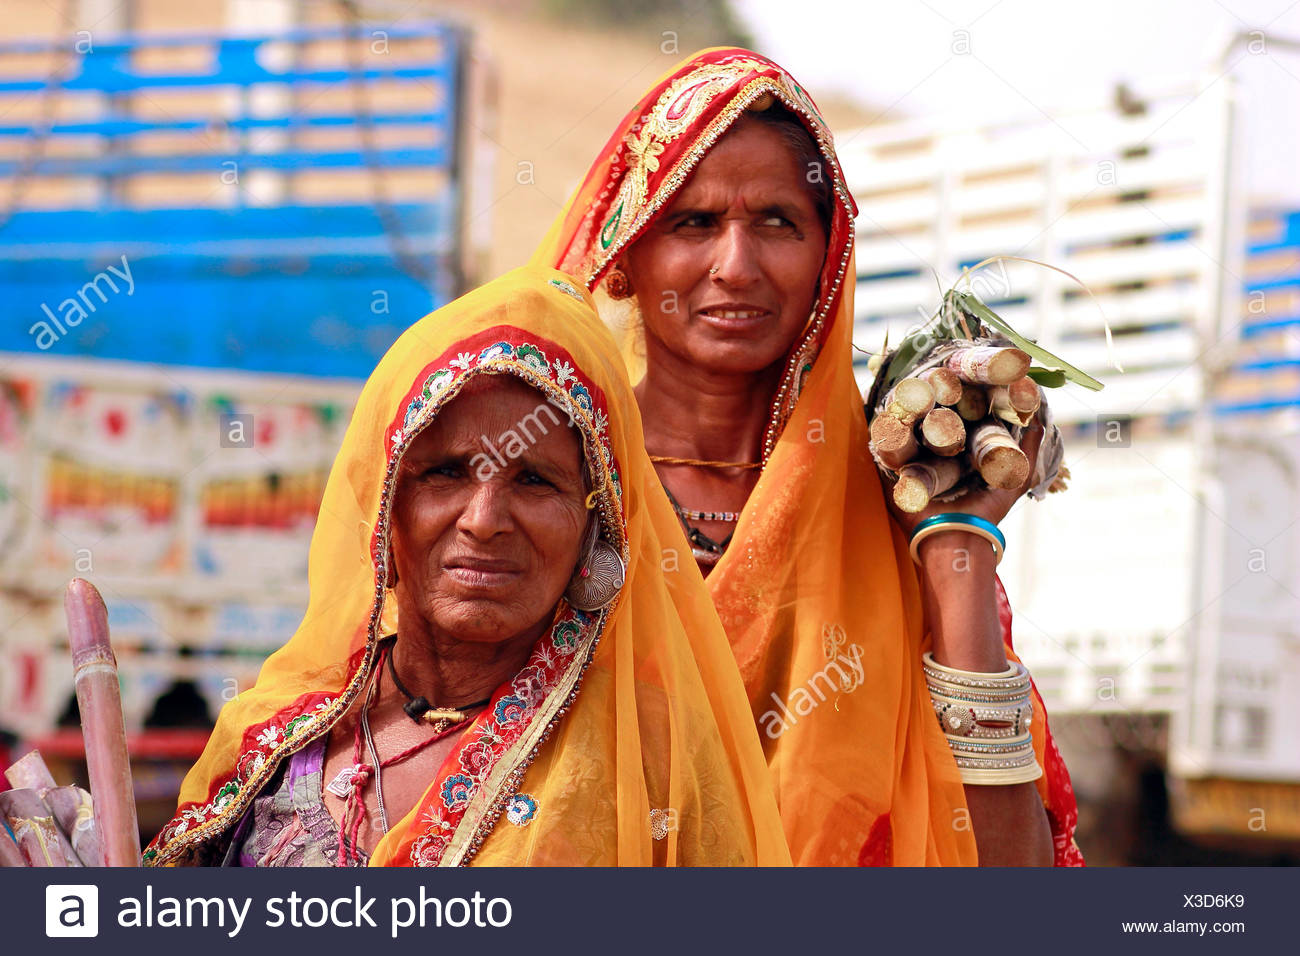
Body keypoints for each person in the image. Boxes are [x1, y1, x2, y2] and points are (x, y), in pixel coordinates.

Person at [533, 49, 1083, 866]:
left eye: (778, 223)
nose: (736, 265)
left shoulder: (892, 508)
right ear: (624, 260)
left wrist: (959, 550)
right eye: (694, 222)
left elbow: (1017, 881)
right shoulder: (548, 482)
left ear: (829, 259)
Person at [143, 266, 789, 866]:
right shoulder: (273, 739)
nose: (483, 518)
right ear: (387, 510)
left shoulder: (656, 755)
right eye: (445, 473)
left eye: (535, 480)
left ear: (599, 524)